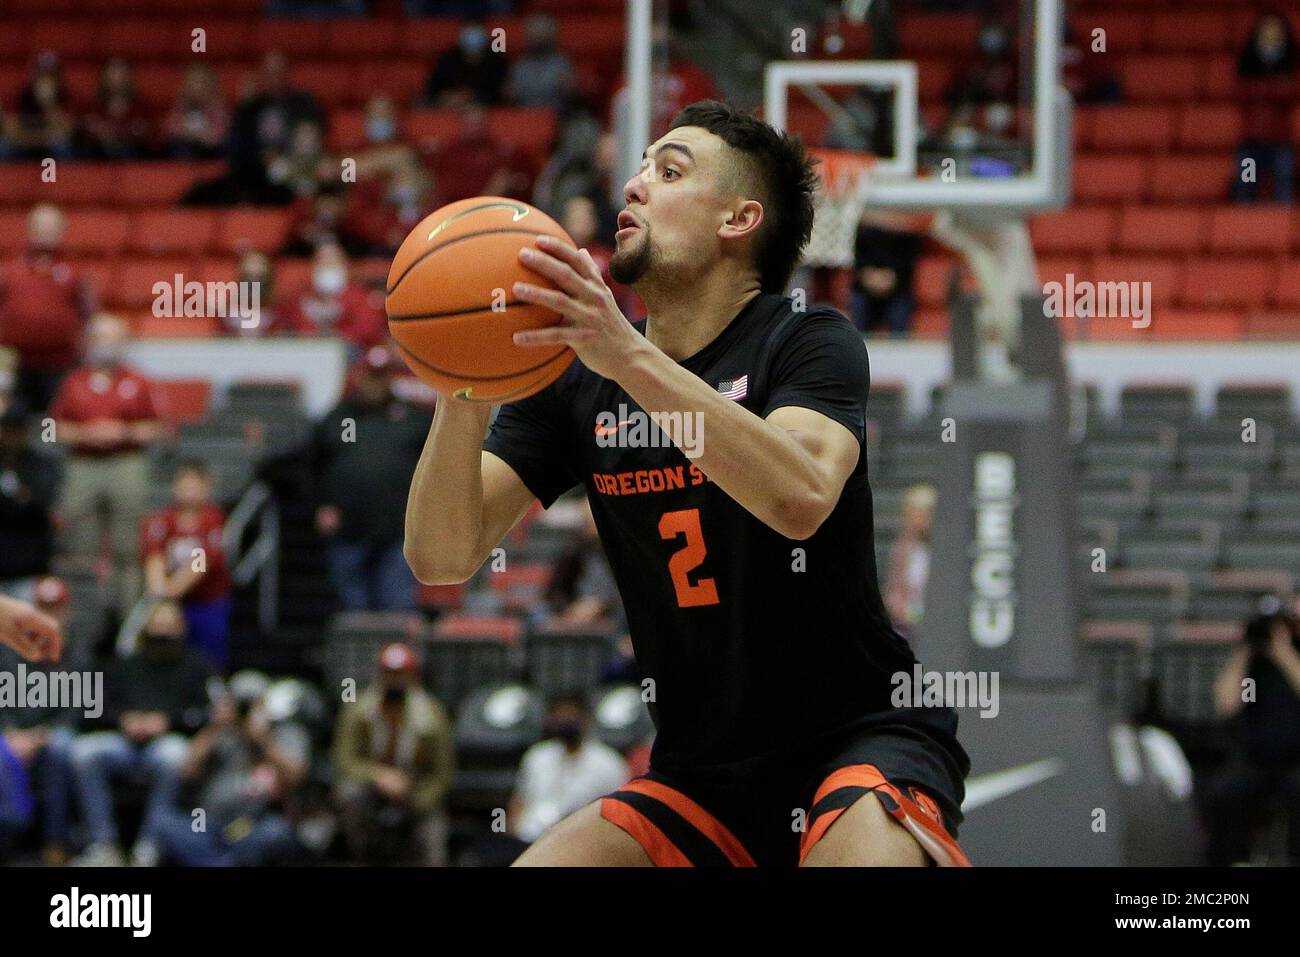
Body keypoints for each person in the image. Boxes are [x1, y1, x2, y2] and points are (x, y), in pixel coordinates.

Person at [405, 100, 971, 867]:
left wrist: (627, 359)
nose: (633, 187)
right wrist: (461, 374)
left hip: (860, 736)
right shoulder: (578, 381)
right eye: (639, 168)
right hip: (702, 774)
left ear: (738, 220)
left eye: (669, 171)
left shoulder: (805, 340)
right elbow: (442, 555)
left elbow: (800, 497)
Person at [70, 600, 212, 866]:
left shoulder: (197, 666)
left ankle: (150, 845)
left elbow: (205, 714)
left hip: (167, 743)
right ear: (146, 627)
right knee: (83, 752)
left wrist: (168, 721)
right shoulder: (124, 665)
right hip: (124, 742)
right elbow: (93, 710)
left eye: (170, 624)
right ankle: (103, 843)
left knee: (173, 755)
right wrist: (123, 720)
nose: (163, 631)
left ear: (182, 628)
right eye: (158, 623)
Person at [50, 313, 162, 616]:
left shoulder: (138, 381)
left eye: (113, 339)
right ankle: (84, 620)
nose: (106, 346)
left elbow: (162, 429)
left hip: (126, 461)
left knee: (129, 546)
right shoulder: (74, 382)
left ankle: (128, 621)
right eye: (101, 338)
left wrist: (124, 431)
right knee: (78, 546)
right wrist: (83, 432)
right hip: (83, 463)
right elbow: (49, 429)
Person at [313, 347, 431, 611]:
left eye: (382, 376)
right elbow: (314, 466)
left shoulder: (415, 419)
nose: (375, 384)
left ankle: (397, 653)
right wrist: (321, 505)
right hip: (349, 528)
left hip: (398, 528)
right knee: (352, 608)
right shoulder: (338, 418)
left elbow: (437, 469)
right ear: (358, 376)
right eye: (371, 376)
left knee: (397, 604)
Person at [151, 670, 307, 867]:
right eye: (240, 703)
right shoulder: (220, 731)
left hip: (254, 824)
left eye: (251, 703)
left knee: (276, 832)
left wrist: (262, 740)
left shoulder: (284, 730)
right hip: (208, 824)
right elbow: (186, 771)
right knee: (163, 823)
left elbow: (296, 777)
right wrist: (215, 726)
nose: (244, 710)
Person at [332, 643, 454, 865]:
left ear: (413, 677)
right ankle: (359, 856)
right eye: (389, 674)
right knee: (348, 794)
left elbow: (442, 774)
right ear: (379, 675)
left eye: (401, 674)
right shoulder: (357, 711)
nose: (395, 681)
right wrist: (378, 775)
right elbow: (344, 760)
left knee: (433, 836)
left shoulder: (433, 717)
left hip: (415, 792)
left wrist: (417, 800)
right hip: (371, 791)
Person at [1204, 603, 1300, 864]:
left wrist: (1284, 654)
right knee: (1223, 794)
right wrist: (1244, 650)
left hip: (1296, 761)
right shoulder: (1251, 665)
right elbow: (1226, 704)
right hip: (1255, 761)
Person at [0, 577, 83, 864]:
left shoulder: (78, 655)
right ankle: (11, 832)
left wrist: (38, 736)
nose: (49, 615)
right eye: (42, 607)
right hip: (10, 732)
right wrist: (10, 732)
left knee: (60, 749)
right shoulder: (8, 648)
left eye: (55, 608)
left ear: (67, 611)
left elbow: (76, 710)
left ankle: (55, 841)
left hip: (53, 734)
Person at [0, 204, 98, 412]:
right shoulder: (9, 272)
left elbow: (89, 315)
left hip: (61, 366)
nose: (45, 232)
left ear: (62, 231)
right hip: (16, 367)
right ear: (28, 229)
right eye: (40, 227)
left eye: (51, 227)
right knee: (13, 424)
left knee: (57, 422)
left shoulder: (76, 273)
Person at [140, 460, 233, 669]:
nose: (189, 492)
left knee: (209, 655)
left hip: (207, 602)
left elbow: (201, 564)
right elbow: (154, 557)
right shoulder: (161, 520)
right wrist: (159, 592)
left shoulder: (213, 521)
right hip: (172, 601)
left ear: (206, 488)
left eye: (194, 486)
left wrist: (171, 591)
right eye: (184, 485)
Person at [509, 693, 629, 845]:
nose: (565, 721)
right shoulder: (537, 756)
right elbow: (519, 801)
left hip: (581, 843)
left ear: (586, 720)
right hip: (529, 840)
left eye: (571, 715)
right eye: (559, 715)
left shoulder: (609, 762)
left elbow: (619, 813)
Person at [1233, 13, 1298, 204]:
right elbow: (1242, 93)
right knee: (1245, 190)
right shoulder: (1247, 61)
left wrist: (1265, 89)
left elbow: (1290, 93)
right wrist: (1273, 87)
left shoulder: (1292, 61)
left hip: (1281, 144)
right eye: (1266, 30)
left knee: (1283, 193)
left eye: (1275, 30)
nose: (1271, 34)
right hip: (1250, 144)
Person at [0, 395, 60, 601]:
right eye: (7, 429)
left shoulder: (41, 464)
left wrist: (19, 503)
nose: (11, 436)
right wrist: (18, 500)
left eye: (17, 430)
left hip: (28, 564)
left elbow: (39, 506)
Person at [281, 242, 386, 353]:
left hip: (348, 352)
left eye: (332, 261)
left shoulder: (359, 296)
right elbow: (292, 327)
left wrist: (339, 332)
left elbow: (367, 329)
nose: (327, 264)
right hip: (309, 350)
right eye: (322, 262)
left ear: (344, 264)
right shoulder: (302, 297)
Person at [850, 221, 923, 336]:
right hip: (865, 282)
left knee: (900, 309)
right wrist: (867, 274)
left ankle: (901, 346)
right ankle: (856, 346)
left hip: (898, 284)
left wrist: (894, 275)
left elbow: (912, 252)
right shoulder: (861, 229)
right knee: (858, 302)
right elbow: (855, 251)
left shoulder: (908, 225)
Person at [884, 484, 936, 636]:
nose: (915, 521)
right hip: (907, 624)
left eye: (920, 515)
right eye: (911, 514)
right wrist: (903, 611)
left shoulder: (947, 550)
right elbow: (894, 594)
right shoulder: (902, 548)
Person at [422, 19, 507, 108]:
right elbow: (433, 89)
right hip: (448, 108)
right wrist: (448, 97)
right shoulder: (448, 59)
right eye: (469, 32)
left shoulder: (497, 61)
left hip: (484, 108)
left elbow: (500, 93)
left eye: (476, 31)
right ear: (461, 35)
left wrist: (472, 98)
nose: (473, 37)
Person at [506, 13, 574, 110]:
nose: (537, 39)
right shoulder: (519, 64)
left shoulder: (562, 63)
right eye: (534, 35)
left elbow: (571, 95)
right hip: (524, 115)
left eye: (541, 35)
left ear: (551, 36)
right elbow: (511, 95)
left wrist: (568, 89)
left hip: (556, 115)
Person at [162, 62, 230, 159]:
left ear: (211, 85)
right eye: (192, 82)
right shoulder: (181, 106)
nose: (196, 87)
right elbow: (170, 130)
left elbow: (216, 138)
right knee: (180, 147)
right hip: (184, 150)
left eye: (200, 82)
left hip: (211, 152)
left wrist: (194, 135)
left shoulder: (218, 107)